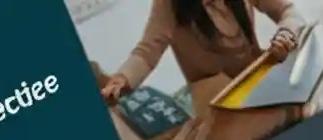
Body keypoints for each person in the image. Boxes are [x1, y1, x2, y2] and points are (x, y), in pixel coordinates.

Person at [101, 0, 304, 104]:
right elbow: (148, 51)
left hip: (259, 79)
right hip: (218, 102)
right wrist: (122, 79)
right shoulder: (169, 4)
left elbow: (288, 11)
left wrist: (286, 34)